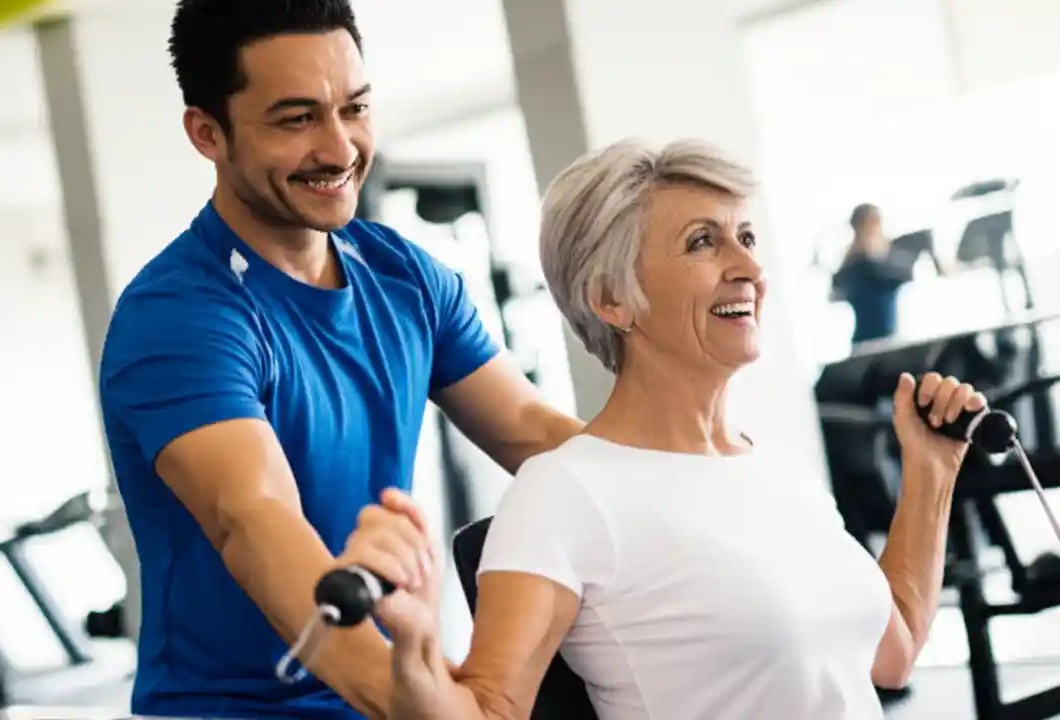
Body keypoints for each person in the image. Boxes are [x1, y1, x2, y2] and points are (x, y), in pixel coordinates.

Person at [342, 139, 986, 719]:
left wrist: (931, 470)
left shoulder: (774, 470)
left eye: (748, 239)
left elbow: (891, 653)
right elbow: (490, 711)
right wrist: (419, 646)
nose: (750, 270)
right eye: (704, 242)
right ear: (612, 300)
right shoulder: (563, 493)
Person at [96, 1, 580, 718]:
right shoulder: (180, 315)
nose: (340, 148)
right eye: (296, 120)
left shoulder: (405, 276)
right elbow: (251, 518)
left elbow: (536, 434)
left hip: (394, 687)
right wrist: (414, 704)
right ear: (207, 133)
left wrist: (718, 498)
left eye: (353, 108)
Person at [833, 203, 914, 343]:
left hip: (888, 338)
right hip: (865, 342)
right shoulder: (854, 266)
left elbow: (906, 273)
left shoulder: (887, 261)